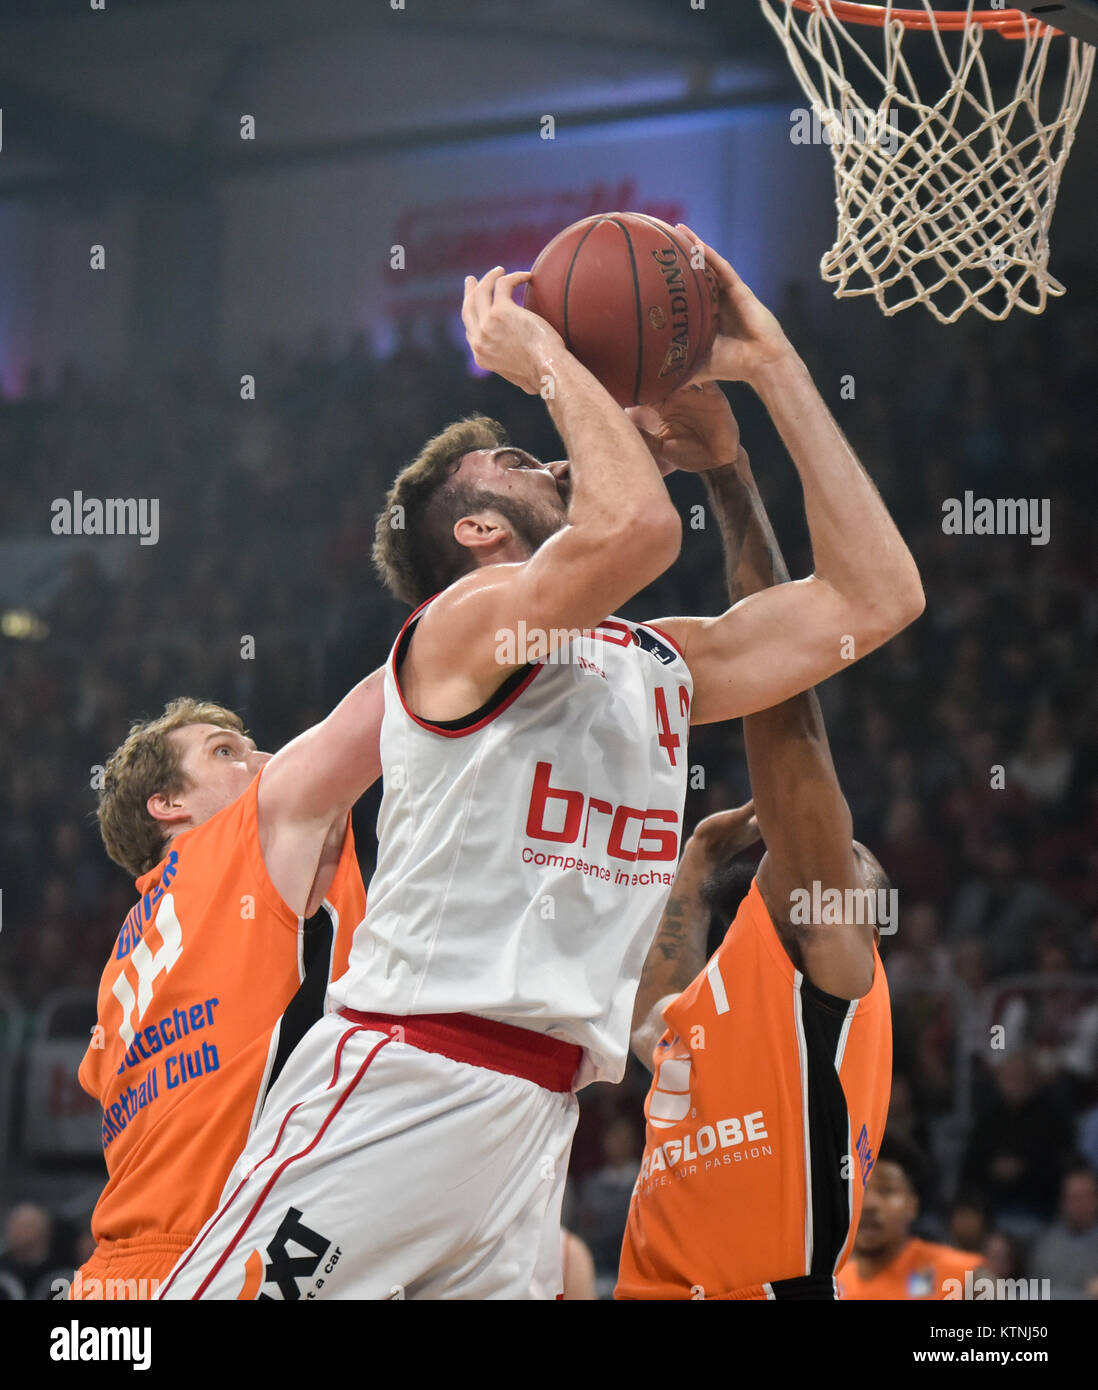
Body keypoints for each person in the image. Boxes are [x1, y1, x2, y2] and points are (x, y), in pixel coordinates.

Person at [162, 231, 923, 1300]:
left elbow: (875, 600)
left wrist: (773, 371)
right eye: (519, 462)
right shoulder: (462, 627)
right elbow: (635, 534)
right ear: (477, 528)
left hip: (535, 1122)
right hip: (404, 1076)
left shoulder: (651, 663)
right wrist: (544, 360)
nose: (555, 455)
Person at [617, 435, 892, 1301]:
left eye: (846, 861)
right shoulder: (715, 1010)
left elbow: (788, 706)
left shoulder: (834, 977)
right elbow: (645, 1021)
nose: (828, 857)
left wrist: (729, 478)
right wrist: (696, 863)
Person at [73, 670, 383, 1299]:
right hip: (233, 1256)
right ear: (168, 804)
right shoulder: (248, 834)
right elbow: (410, 690)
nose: (262, 760)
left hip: (110, 1281)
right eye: (225, 752)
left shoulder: (120, 967)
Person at [839, 1136, 984, 1299]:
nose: (869, 1204)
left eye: (886, 1190)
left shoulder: (960, 1275)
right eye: (858, 1190)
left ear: (912, 1206)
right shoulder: (830, 1285)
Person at [1027, 1166, 1098, 1299]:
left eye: (1086, 1196)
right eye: (1074, 1198)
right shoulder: (1044, 1244)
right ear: (1063, 1202)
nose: (1081, 1204)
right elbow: (1033, 1290)